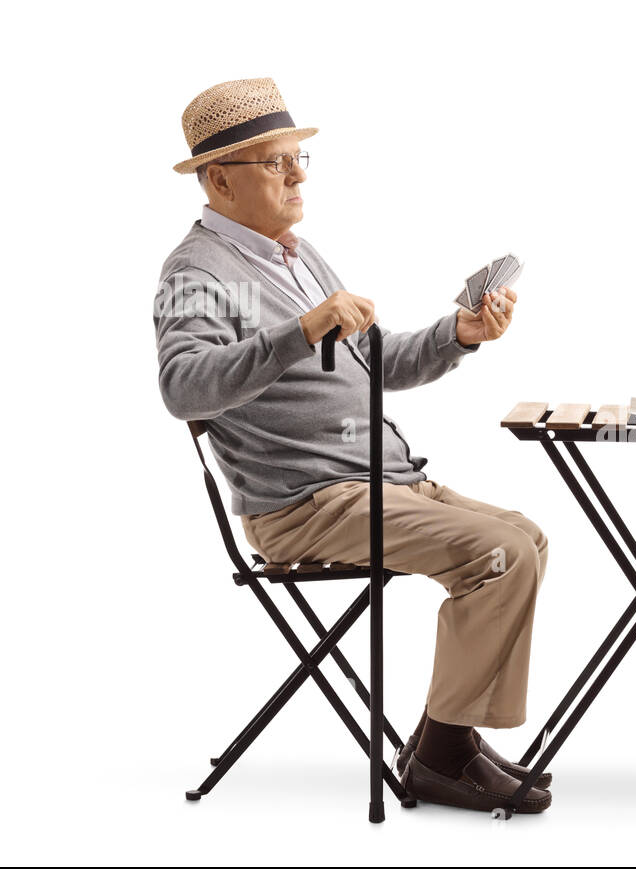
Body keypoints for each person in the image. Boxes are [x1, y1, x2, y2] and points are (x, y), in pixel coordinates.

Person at [154, 77, 551, 814]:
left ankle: (446, 738)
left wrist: (458, 333)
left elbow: (380, 363)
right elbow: (183, 387)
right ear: (218, 180)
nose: (299, 175)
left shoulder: (296, 255)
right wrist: (298, 330)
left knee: (525, 537)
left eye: (296, 159)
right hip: (305, 503)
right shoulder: (200, 271)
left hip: (381, 481)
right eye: (276, 164)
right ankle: (440, 754)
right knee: (502, 557)